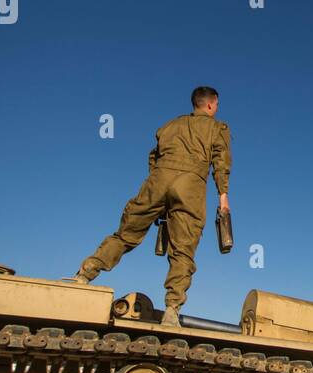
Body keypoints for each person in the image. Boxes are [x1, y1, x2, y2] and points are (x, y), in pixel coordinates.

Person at [75, 86, 231, 326]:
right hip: (190, 186)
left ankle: (85, 274)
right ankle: (172, 309)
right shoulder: (217, 128)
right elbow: (221, 163)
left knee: (126, 234)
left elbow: (153, 157)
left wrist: (158, 190)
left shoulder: (169, 125)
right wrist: (223, 197)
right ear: (211, 104)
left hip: (157, 180)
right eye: (217, 105)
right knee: (183, 250)